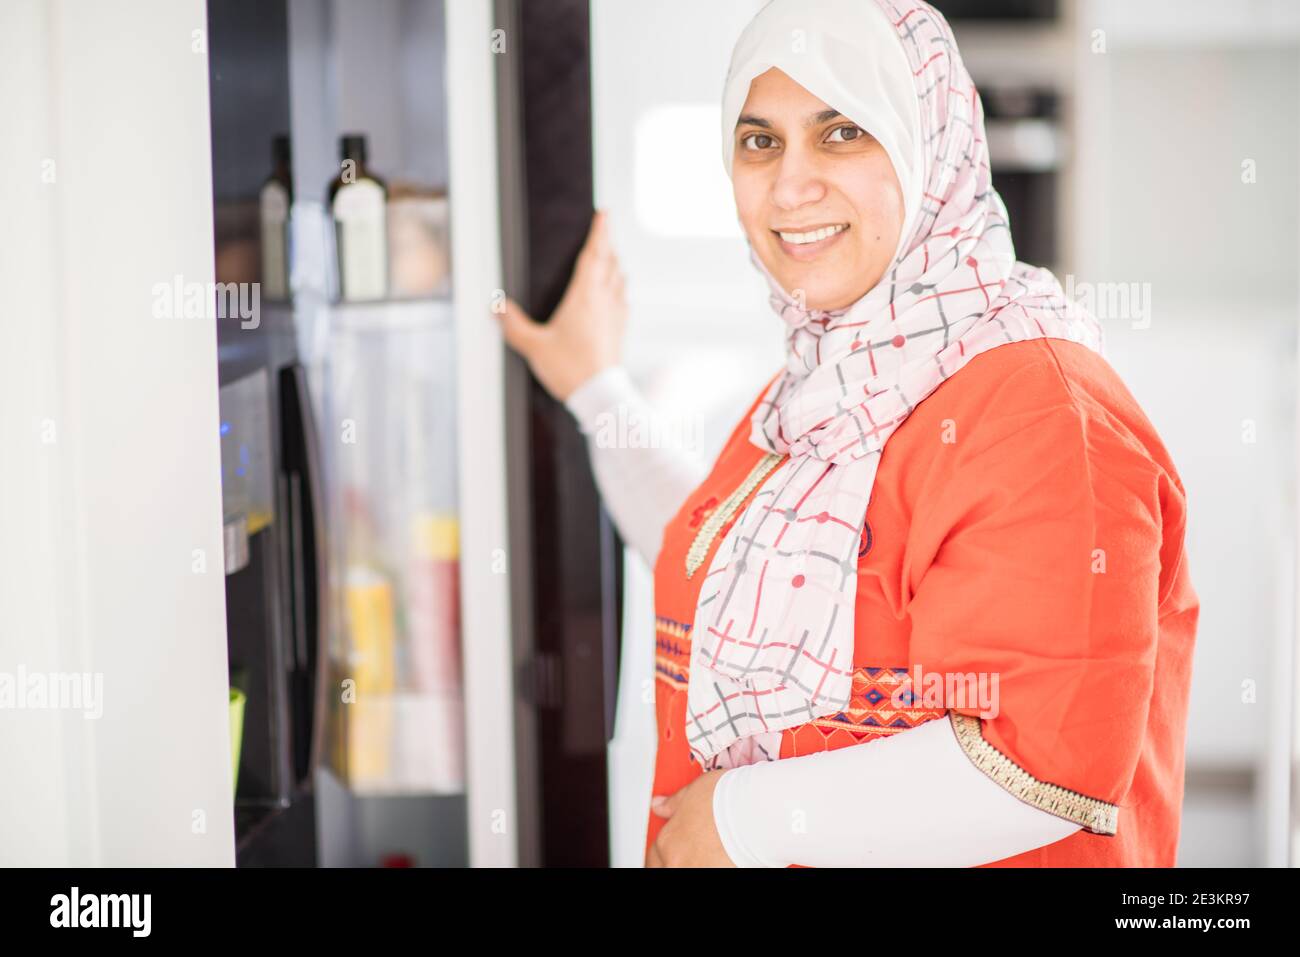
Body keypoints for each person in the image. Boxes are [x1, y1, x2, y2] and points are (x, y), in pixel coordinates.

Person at [494, 0, 1199, 868]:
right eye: (759, 142)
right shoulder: (822, 386)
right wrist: (596, 388)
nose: (790, 185)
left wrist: (745, 819)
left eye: (841, 132)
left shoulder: (1046, 416)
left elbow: (1042, 759)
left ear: (927, 145)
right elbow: (715, 559)